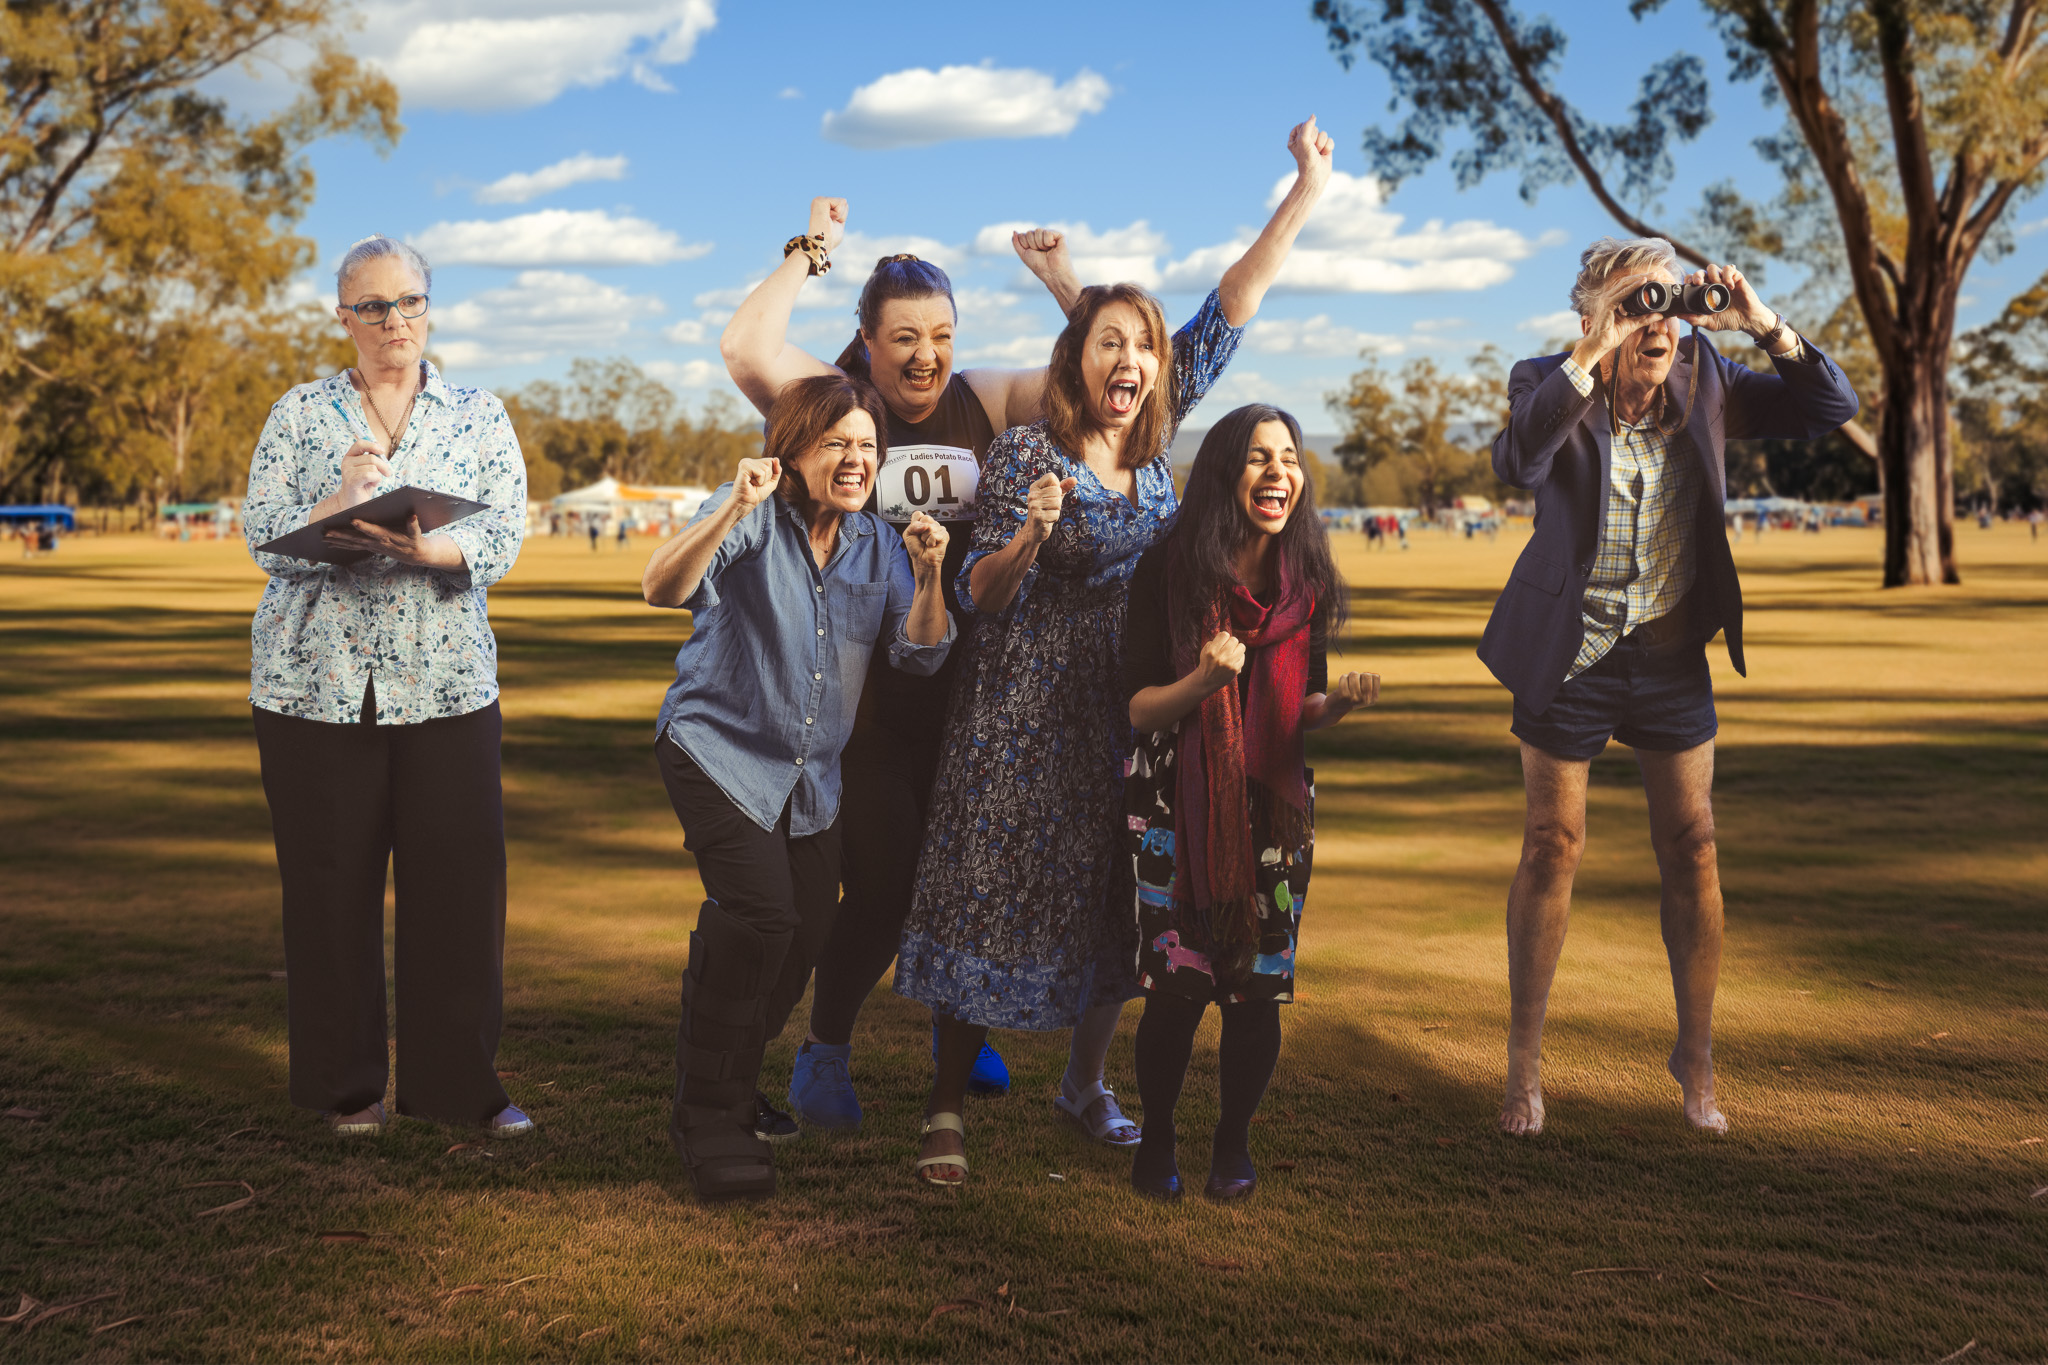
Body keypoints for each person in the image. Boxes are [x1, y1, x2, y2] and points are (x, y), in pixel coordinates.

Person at [894, 115, 1338, 1187]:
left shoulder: (1155, 460)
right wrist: (1036, 529)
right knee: (988, 891)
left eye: (1142, 348)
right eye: (1109, 344)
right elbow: (979, 596)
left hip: (1132, 712)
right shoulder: (1027, 451)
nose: (1130, 362)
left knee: (1118, 908)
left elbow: (1231, 302)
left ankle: (1082, 1086)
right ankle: (943, 1108)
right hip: (1018, 715)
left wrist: (1306, 193)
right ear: (1075, 357)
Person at [718, 205, 1089, 1125]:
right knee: (882, 881)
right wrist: (809, 253)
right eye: (905, 338)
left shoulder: (990, 401)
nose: (927, 356)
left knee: (966, 877)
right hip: (861, 704)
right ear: (868, 341)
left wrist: (1060, 282)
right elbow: (743, 347)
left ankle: (956, 1035)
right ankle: (824, 1050)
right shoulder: (834, 401)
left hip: (971, 697)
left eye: (943, 336)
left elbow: (1105, 380)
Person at [1480, 236, 1858, 1138]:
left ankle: (1695, 1054)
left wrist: (1758, 320)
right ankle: (1524, 1064)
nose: (1658, 320)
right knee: (1551, 844)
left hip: (1669, 652)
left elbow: (1829, 404)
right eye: (1635, 302)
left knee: (1693, 846)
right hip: (1571, 651)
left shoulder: (1710, 376)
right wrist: (1591, 349)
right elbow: (1518, 463)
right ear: (1594, 313)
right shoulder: (1547, 376)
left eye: (1665, 302)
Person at [241, 234, 530, 1139]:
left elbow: (503, 534)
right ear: (343, 317)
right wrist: (338, 502)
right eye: (374, 306)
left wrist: (426, 547)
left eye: (410, 302)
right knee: (328, 892)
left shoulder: (479, 414)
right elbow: (263, 537)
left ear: (430, 308)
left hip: (446, 687)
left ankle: (460, 1088)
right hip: (312, 691)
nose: (395, 320)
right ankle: (345, 1091)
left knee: (459, 890)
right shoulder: (298, 414)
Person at [642, 373, 953, 1201]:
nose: (855, 461)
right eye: (836, 444)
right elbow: (661, 586)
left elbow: (920, 652)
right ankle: (709, 1116)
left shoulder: (879, 545)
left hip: (809, 775)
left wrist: (927, 577)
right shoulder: (753, 513)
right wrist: (731, 509)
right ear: (794, 449)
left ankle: (731, 1081)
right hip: (718, 749)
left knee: (806, 930)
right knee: (760, 916)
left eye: (866, 447)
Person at [1121, 405, 1379, 1202]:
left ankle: (1232, 1143)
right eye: (1259, 457)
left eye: (1291, 458)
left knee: (1259, 983)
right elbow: (1136, 708)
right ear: (1227, 470)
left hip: (1274, 805)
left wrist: (1332, 709)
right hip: (1173, 801)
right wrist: (1202, 681)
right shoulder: (1169, 570)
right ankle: (1156, 1136)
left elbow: (1295, 707)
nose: (1279, 473)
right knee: (1180, 984)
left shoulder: (1304, 584)